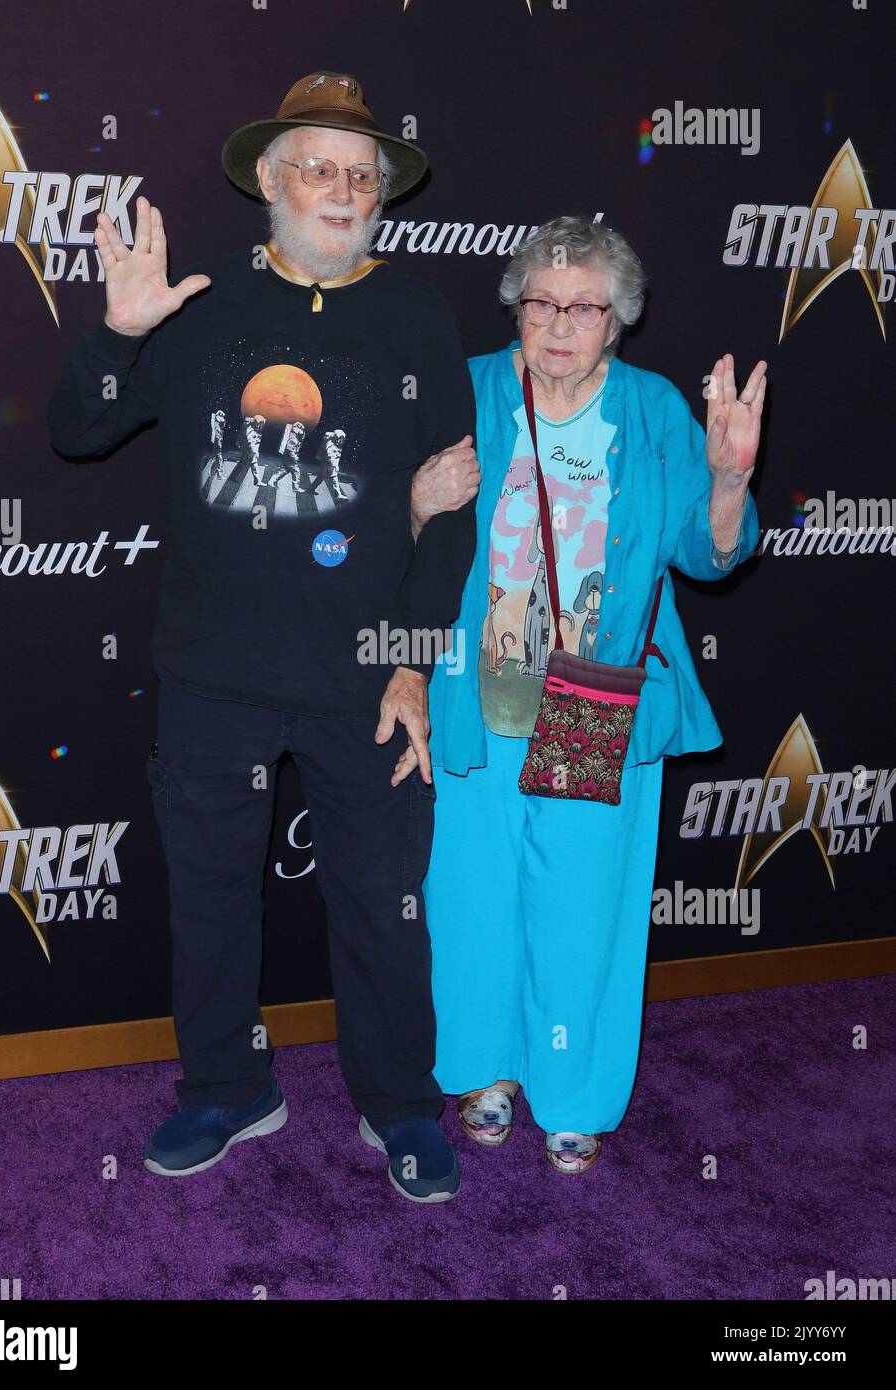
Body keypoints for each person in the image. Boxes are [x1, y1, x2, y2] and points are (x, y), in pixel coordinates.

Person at [46, 70, 481, 1203]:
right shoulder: (200, 302)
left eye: (358, 173)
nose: (337, 189)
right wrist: (115, 329)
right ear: (269, 183)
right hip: (212, 676)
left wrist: (411, 656)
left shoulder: (419, 317)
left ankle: (399, 1103)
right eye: (315, 167)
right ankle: (228, 1086)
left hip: (362, 680)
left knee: (385, 908)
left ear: (380, 195)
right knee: (209, 897)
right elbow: (76, 431)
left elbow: (448, 507)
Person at [409, 215, 765, 1172]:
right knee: (473, 891)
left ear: (619, 321)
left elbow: (709, 550)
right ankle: (484, 1068)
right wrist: (414, 503)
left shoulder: (652, 413)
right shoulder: (470, 389)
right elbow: (392, 529)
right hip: (478, 687)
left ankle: (571, 1089)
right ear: (518, 308)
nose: (560, 323)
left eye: (584, 308)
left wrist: (728, 480)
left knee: (580, 899)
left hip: (593, 692)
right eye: (542, 302)